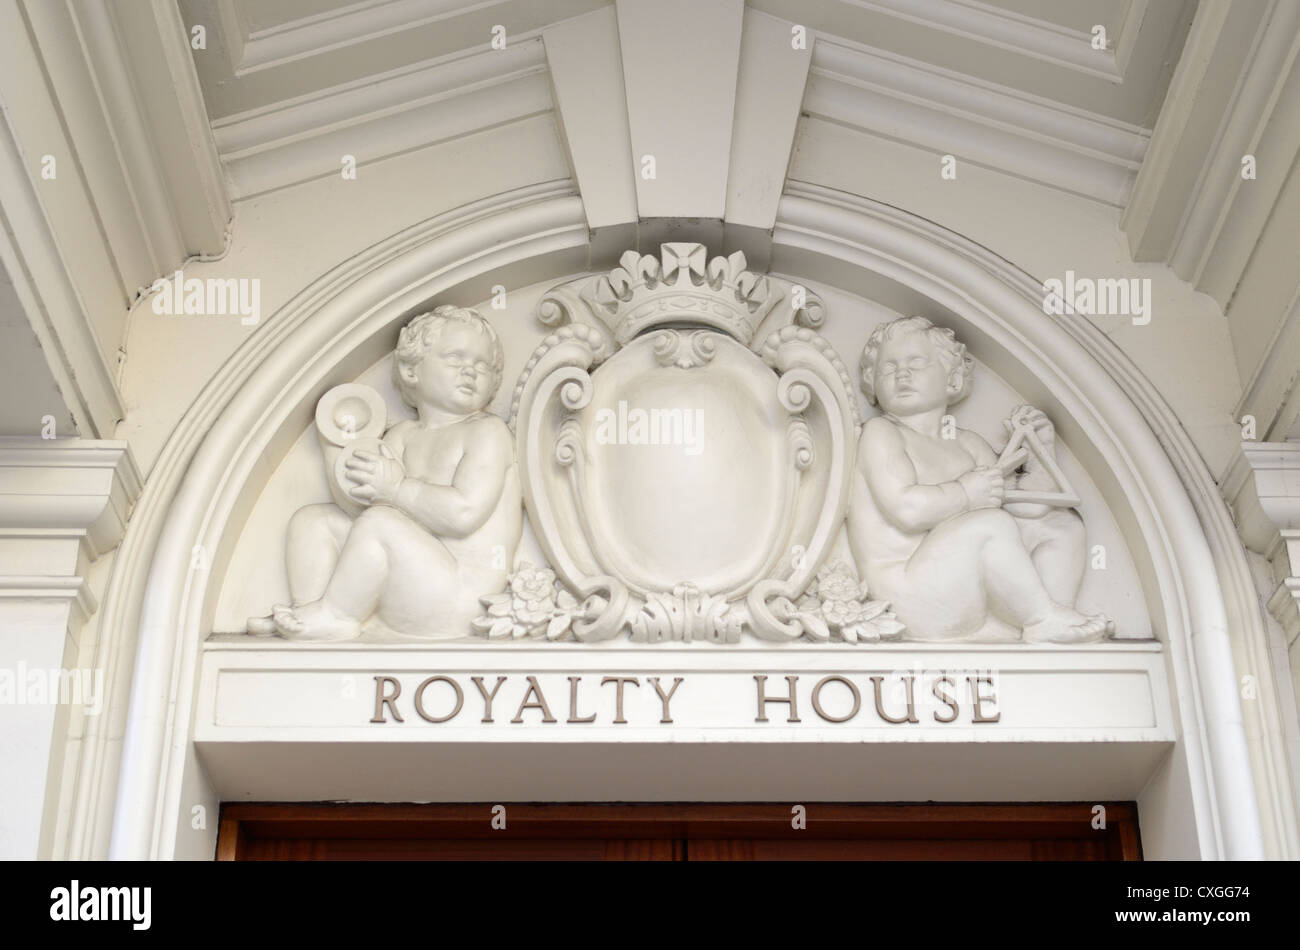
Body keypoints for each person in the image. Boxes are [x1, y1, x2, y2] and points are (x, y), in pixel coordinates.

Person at [254, 305, 521, 640]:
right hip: (410, 584)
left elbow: (463, 513)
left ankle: (338, 615)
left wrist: (394, 488)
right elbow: (361, 508)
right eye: (456, 358)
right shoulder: (402, 436)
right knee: (314, 521)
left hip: (460, 596)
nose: (470, 371)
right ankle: (308, 614)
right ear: (411, 370)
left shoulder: (488, 432)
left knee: (381, 523)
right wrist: (339, 451)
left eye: (483, 365)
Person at [848, 315, 1111, 643]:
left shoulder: (969, 444)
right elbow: (906, 509)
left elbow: (1022, 512)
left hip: (962, 592)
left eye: (916, 362)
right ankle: (1041, 616)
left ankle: (1051, 619)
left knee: (1062, 526)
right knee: (989, 525)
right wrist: (965, 492)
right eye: (888, 368)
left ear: (953, 377)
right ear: (872, 383)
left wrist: (1041, 452)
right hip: (909, 597)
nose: (902, 373)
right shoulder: (881, 434)